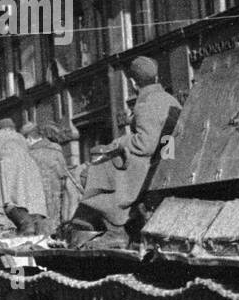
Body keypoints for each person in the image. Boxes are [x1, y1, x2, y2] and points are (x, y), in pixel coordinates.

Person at [76, 56, 181, 248]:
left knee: (94, 171)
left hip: (152, 165)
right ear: (156, 77)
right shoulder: (169, 99)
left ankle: (116, 230)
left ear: (133, 83)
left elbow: (144, 145)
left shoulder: (146, 103)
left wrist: (118, 143)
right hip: (167, 159)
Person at [0, 118, 49, 234]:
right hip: (30, 170)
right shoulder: (21, 138)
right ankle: (38, 232)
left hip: (9, 167)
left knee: (10, 198)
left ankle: (26, 227)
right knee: (31, 202)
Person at [24, 121, 71, 235]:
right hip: (56, 197)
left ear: (29, 138)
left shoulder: (28, 154)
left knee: (40, 229)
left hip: (36, 200)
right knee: (55, 227)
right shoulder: (56, 150)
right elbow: (64, 174)